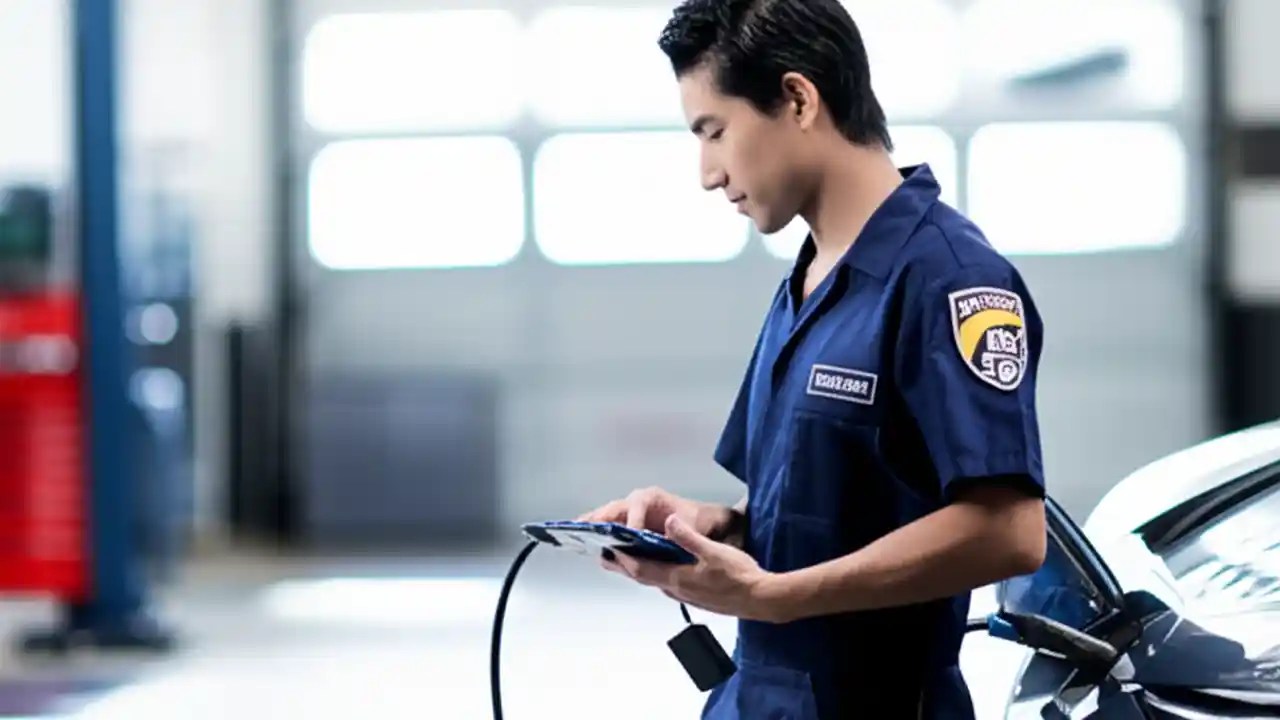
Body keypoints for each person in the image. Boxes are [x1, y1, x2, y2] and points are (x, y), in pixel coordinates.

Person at [578, 1, 1048, 718]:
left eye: (715, 132)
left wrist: (775, 597)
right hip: (760, 697)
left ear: (798, 99)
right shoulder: (806, 284)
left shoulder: (949, 280)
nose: (708, 173)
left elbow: (1007, 531)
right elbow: (813, 502)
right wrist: (707, 524)